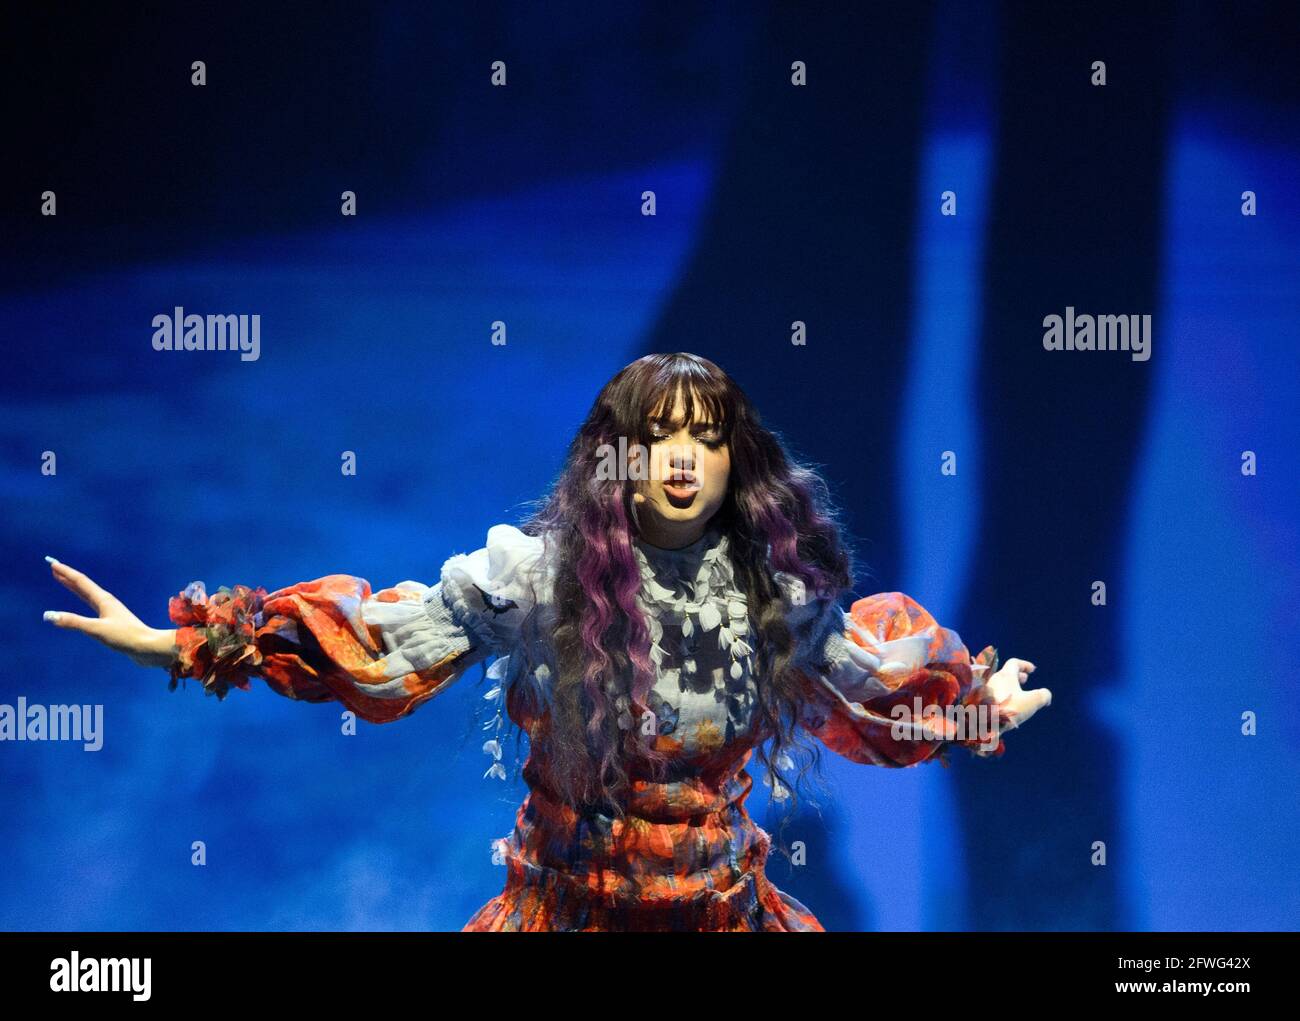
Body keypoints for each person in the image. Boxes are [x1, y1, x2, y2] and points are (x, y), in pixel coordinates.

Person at [42, 351, 1051, 931]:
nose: (683, 459)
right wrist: (194, 643)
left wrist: (970, 708)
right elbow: (380, 642)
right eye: (660, 437)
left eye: (704, 437)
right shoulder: (541, 579)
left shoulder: (768, 597)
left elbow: (868, 692)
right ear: (622, 456)